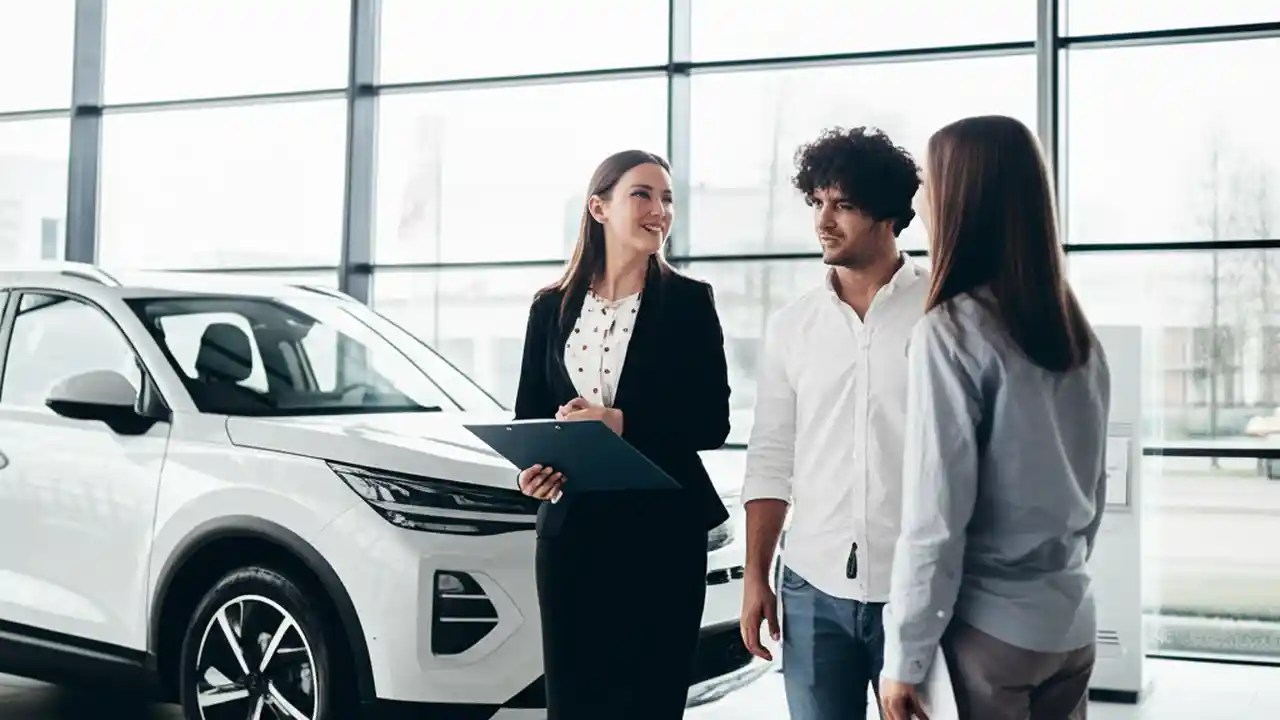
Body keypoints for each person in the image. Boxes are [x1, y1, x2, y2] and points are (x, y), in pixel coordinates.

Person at [879, 115, 1111, 720]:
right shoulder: (1075, 331)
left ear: (964, 193)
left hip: (989, 636)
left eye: (928, 180)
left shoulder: (952, 331)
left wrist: (903, 659)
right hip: (1070, 623)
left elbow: (935, 519)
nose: (918, 198)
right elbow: (1095, 490)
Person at [512, 149, 731, 720]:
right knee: (575, 700)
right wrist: (529, 474)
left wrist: (622, 423)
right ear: (598, 207)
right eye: (643, 194)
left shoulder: (688, 302)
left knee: (651, 699)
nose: (660, 210)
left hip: (663, 535)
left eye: (668, 199)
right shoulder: (550, 309)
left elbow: (713, 419)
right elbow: (530, 417)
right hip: (572, 536)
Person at [739, 126, 927, 720]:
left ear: (889, 215)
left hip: (918, 589)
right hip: (811, 585)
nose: (824, 219)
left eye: (843, 204)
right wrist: (755, 576)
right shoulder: (792, 326)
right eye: (817, 202)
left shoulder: (943, 312)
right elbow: (771, 456)